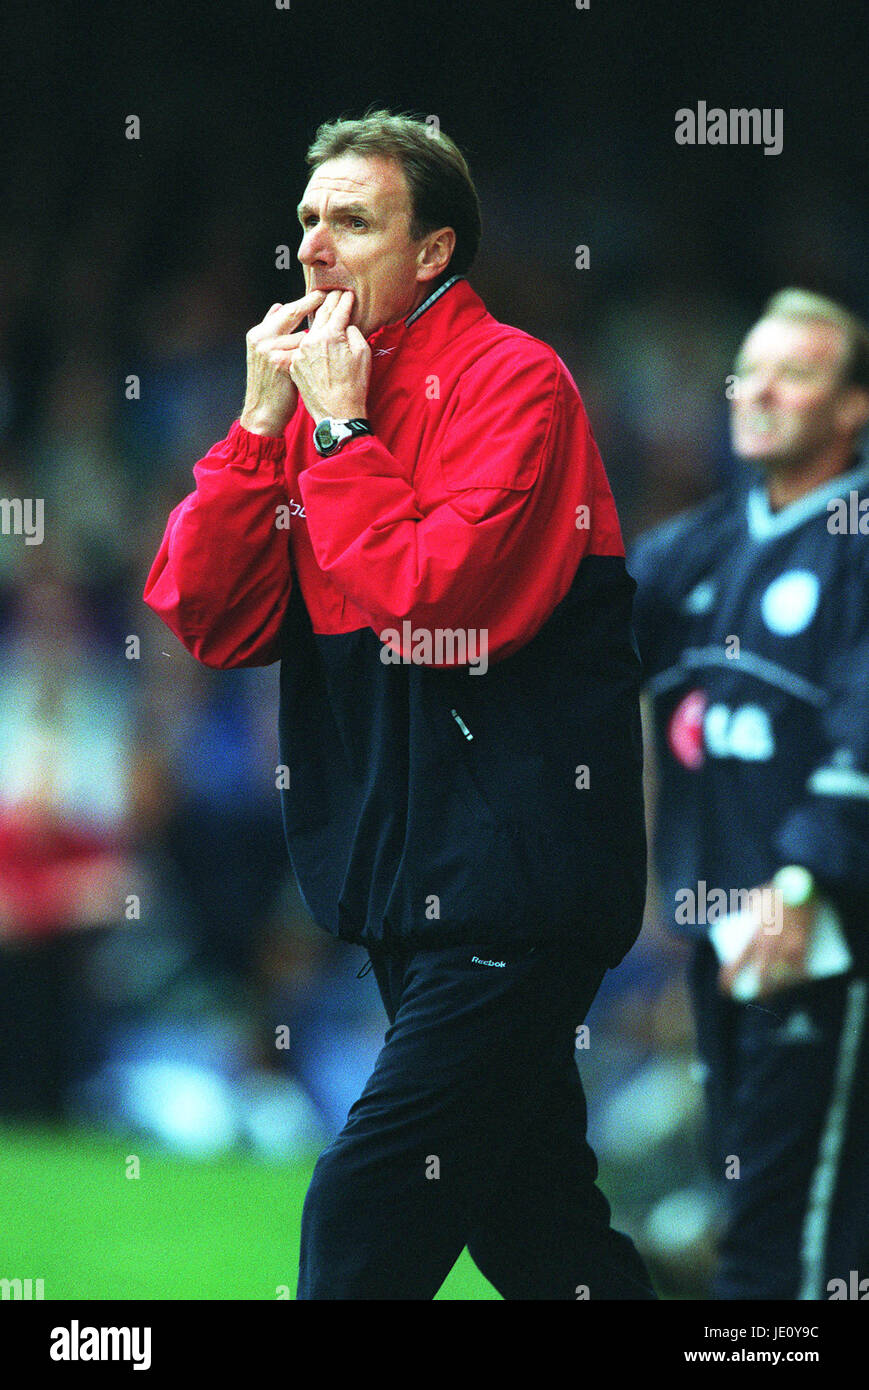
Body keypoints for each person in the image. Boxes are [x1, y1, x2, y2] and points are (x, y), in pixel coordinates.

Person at [144, 110, 655, 1301]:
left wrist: (335, 427)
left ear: (432, 253)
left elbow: (438, 600)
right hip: (400, 883)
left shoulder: (515, 381)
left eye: (353, 221)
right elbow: (209, 615)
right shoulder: (321, 401)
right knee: (540, 1236)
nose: (315, 246)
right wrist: (262, 424)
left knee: (362, 1211)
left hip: (514, 887)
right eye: (308, 221)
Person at [629, 288, 869, 1300]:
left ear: (851, 407)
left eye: (795, 373)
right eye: (747, 369)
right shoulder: (696, 548)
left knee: (796, 1237)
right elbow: (568, 647)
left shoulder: (856, 541)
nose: (758, 391)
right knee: (756, 1219)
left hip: (825, 928)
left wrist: (805, 873)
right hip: (724, 929)